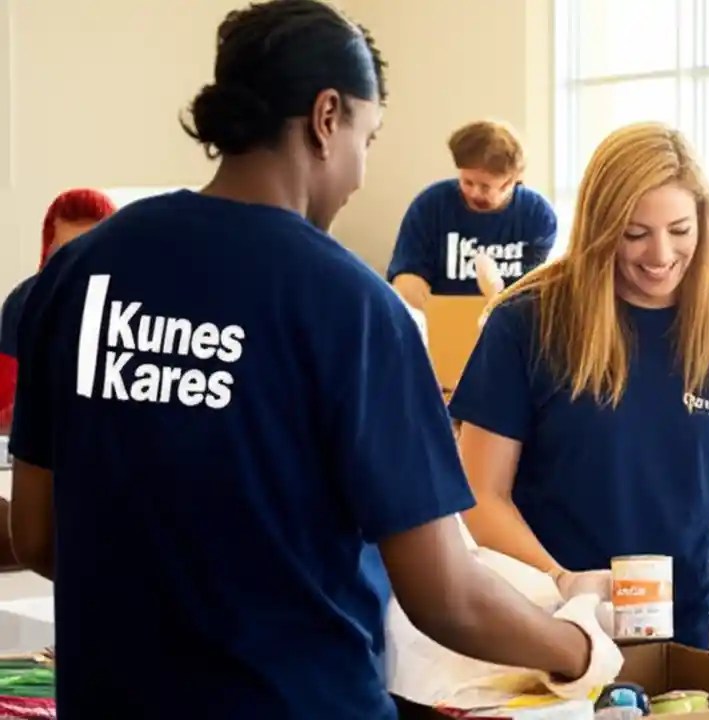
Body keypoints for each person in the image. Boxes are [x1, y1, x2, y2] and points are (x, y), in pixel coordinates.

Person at [6, 2, 619, 717]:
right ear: (328, 117)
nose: (360, 172)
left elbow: (40, 536)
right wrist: (578, 647)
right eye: (368, 137)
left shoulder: (80, 273)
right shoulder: (354, 309)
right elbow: (446, 597)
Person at [449, 121, 709, 662]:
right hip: (544, 633)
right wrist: (562, 584)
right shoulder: (526, 323)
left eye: (680, 230)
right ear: (599, 224)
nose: (660, 255)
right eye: (635, 233)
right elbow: (480, 493)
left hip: (678, 640)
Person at [388, 119, 557, 312]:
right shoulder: (430, 206)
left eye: (485, 187)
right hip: (440, 325)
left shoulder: (538, 215)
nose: (474, 193)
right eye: (467, 182)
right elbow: (407, 278)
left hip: (508, 327)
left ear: (511, 181)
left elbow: (533, 294)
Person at [0, 189, 116, 433]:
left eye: (89, 253)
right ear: (48, 251)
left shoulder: (135, 305)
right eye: (65, 254)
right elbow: (4, 409)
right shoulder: (24, 302)